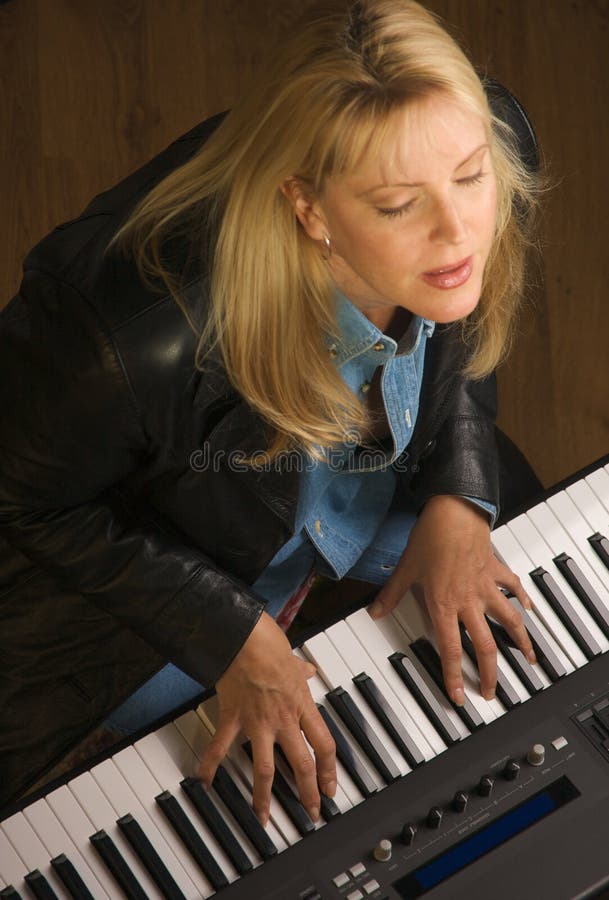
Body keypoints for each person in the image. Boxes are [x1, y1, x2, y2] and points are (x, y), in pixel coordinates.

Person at [0, 0, 544, 817]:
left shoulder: (479, 145)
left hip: (356, 501)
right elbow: (22, 500)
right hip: (167, 577)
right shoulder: (119, 340)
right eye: (397, 205)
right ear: (308, 207)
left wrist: (459, 497)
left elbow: (466, 308)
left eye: (470, 177)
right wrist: (230, 633)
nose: (458, 229)